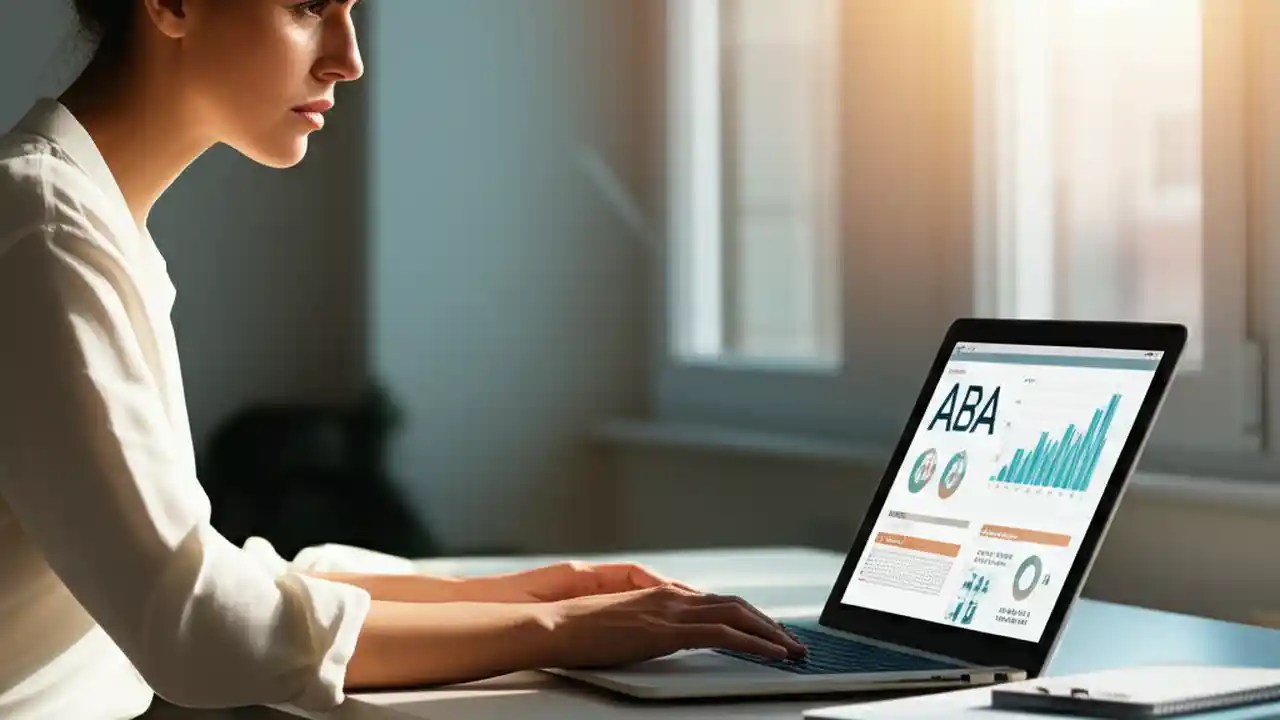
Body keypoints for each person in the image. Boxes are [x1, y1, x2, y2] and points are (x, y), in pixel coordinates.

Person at [0, 1, 807, 717]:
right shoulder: (46, 231)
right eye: (308, 6)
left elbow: (196, 569)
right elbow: (198, 624)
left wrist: (512, 592)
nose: (348, 58)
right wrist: (560, 629)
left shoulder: (84, 223)